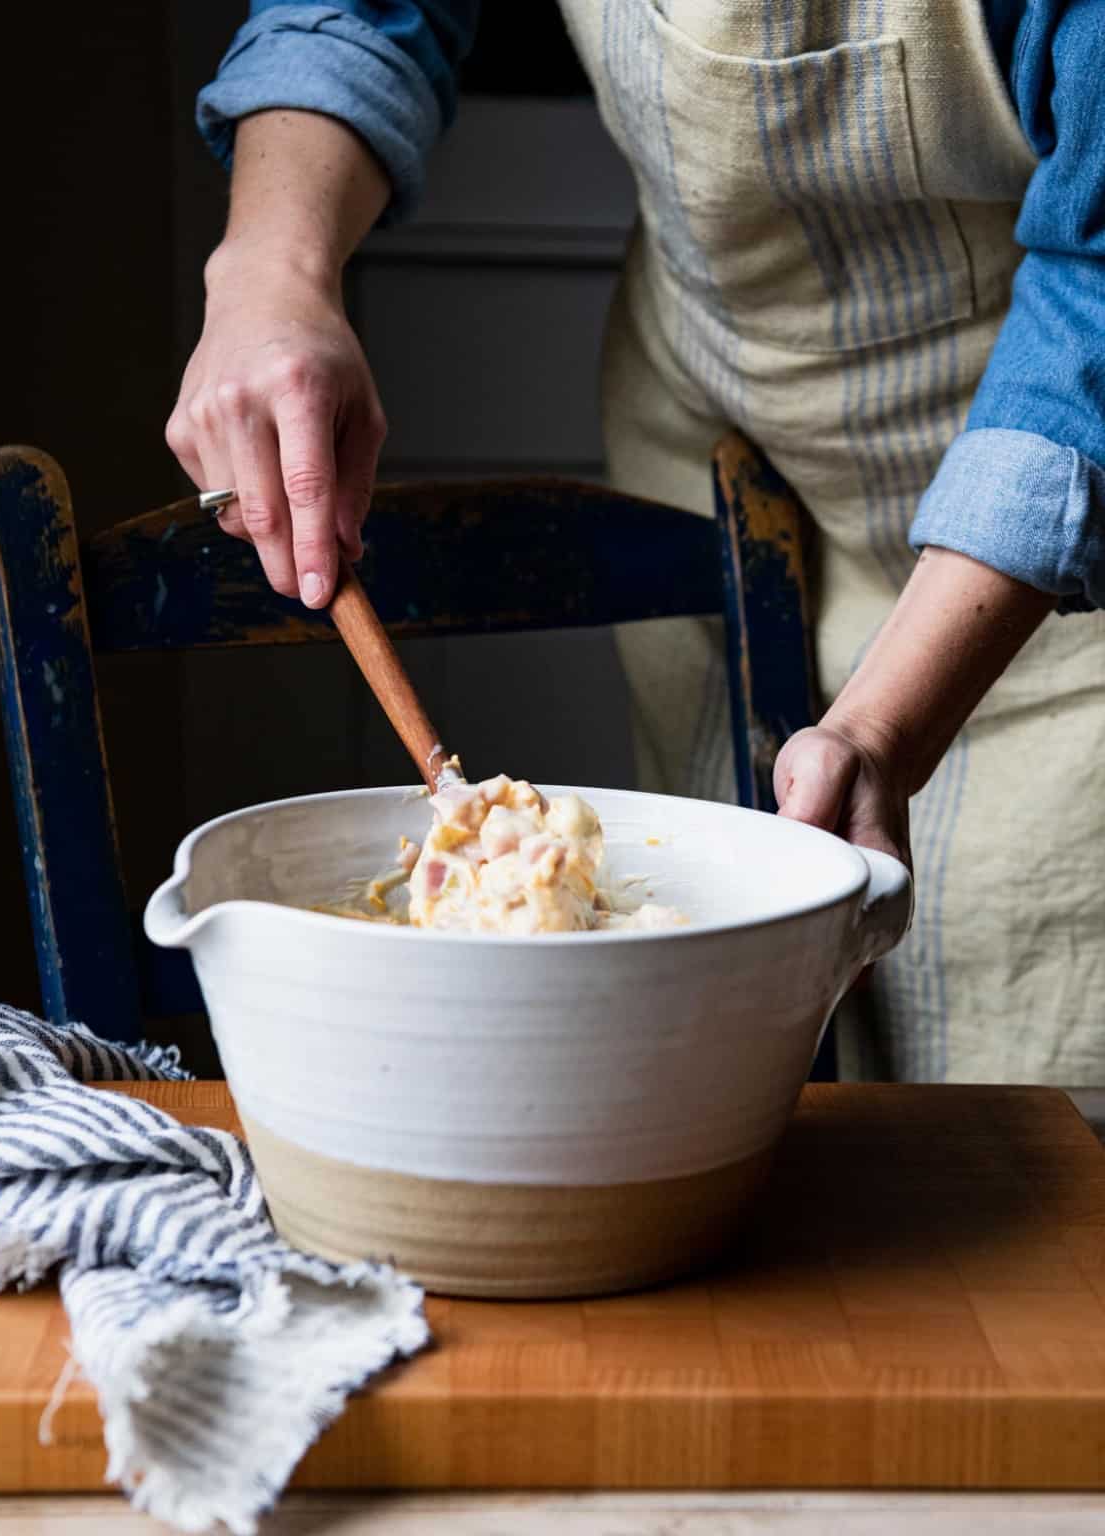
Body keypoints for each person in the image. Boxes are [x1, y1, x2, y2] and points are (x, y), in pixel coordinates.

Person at [168, 2, 1105, 1085]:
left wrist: (884, 724)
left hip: (1050, 523)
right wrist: (268, 277)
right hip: (718, 441)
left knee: (1007, 1137)